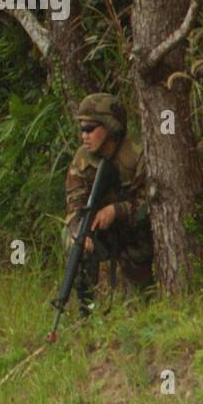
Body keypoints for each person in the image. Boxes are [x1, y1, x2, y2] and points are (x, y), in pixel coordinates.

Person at [65, 92, 153, 314]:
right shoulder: (82, 159)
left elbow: (151, 204)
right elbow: (74, 202)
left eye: (90, 129)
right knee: (75, 245)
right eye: (82, 129)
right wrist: (78, 231)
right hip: (98, 230)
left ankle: (142, 300)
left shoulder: (136, 154)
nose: (84, 136)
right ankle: (86, 308)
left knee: (140, 299)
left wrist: (117, 210)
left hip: (133, 230)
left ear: (110, 127)